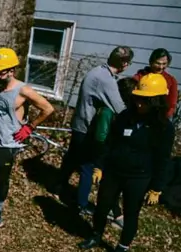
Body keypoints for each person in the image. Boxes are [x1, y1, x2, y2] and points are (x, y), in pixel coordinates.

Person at [79, 73, 174, 252]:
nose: (140, 104)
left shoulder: (163, 128)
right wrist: (99, 165)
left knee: (131, 213)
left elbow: (163, 159)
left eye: (145, 101)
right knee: (103, 205)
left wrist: (157, 187)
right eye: (138, 99)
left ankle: (121, 248)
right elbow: (109, 143)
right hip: (114, 171)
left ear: (157, 102)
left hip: (139, 177)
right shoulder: (125, 116)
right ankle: (96, 235)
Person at [0, 47, 54, 226]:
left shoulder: (23, 91)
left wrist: (29, 127)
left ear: (12, 70)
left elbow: (48, 108)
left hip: (8, 142)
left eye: (0, 73)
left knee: (3, 177)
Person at [55, 46, 134, 214]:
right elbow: (120, 108)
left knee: (72, 158)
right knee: (88, 166)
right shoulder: (106, 80)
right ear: (125, 63)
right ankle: (82, 203)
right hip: (87, 128)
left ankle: (58, 185)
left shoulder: (97, 71)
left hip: (79, 123)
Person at [90, 77, 139, 229]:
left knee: (114, 188)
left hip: (117, 154)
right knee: (107, 188)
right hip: (106, 152)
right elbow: (102, 136)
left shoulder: (126, 112)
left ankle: (117, 213)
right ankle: (113, 215)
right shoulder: (109, 111)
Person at [133, 48, 178, 121]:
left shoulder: (171, 80)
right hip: (140, 116)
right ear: (151, 62)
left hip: (160, 118)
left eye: (164, 64)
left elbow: (172, 105)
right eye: (158, 63)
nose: (161, 67)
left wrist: (163, 118)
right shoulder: (141, 76)